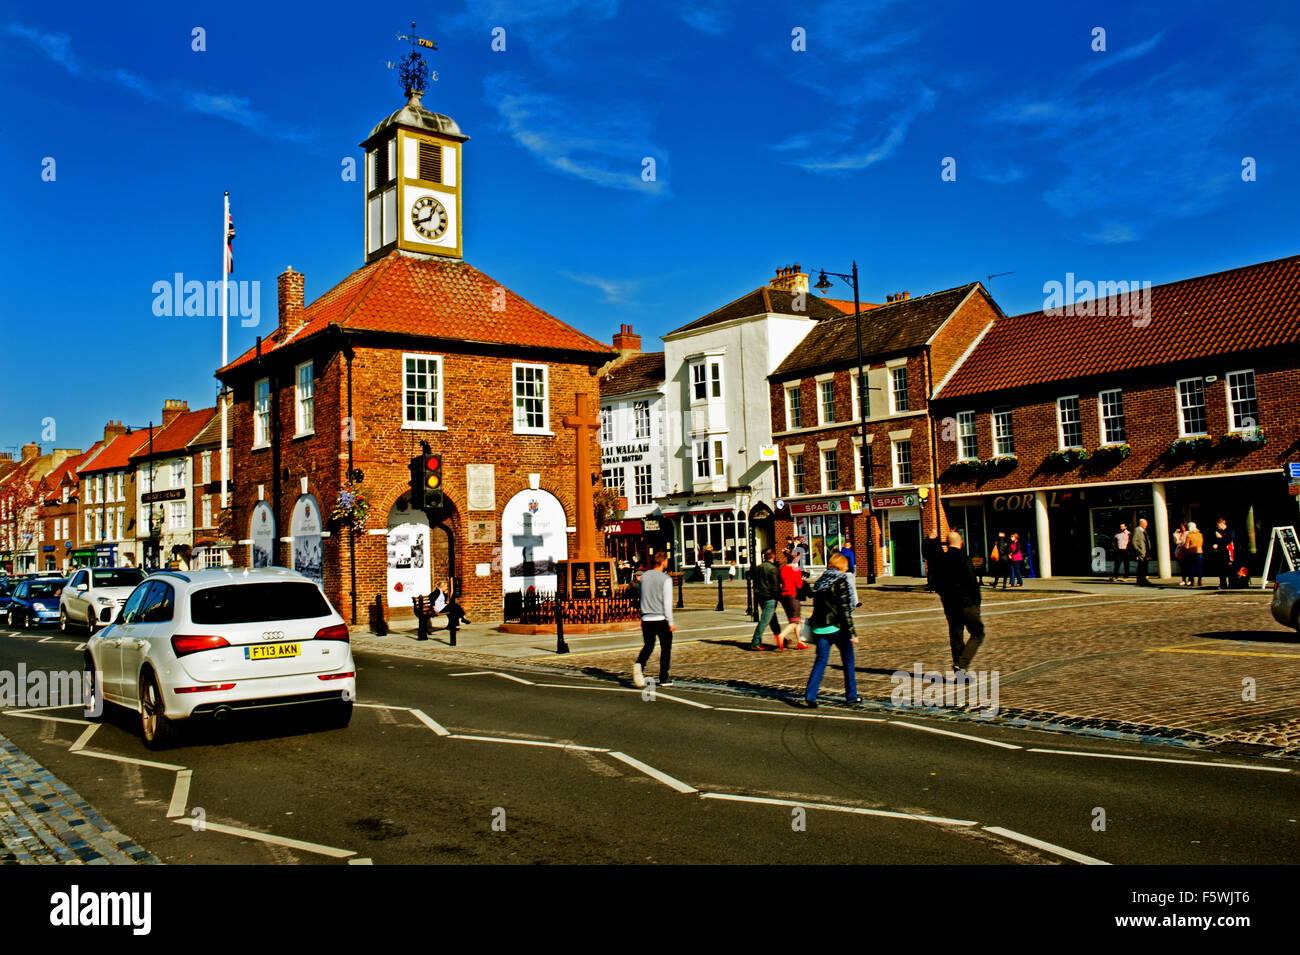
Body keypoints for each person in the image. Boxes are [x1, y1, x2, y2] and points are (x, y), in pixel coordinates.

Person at [802, 552, 859, 708]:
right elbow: (845, 608)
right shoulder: (841, 581)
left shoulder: (820, 582)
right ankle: (852, 696)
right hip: (837, 627)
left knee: (820, 661)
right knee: (848, 661)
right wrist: (852, 632)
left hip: (820, 628)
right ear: (842, 566)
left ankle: (811, 695)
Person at [932, 530, 986, 671]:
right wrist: (976, 601)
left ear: (947, 544)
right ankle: (962, 664)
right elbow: (971, 582)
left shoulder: (940, 560)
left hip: (950, 603)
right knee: (977, 633)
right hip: (967, 603)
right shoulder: (964, 558)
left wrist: (944, 595)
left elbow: (936, 582)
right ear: (961, 543)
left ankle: (960, 671)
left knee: (956, 636)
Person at [633, 552, 675, 688]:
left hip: (646, 617)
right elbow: (667, 603)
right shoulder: (666, 579)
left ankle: (639, 664)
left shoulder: (644, 577)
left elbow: (641, 595)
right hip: (661, 617)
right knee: (665, 648)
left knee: (649, 645)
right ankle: (663, 677)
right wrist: (671, 622)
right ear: (663, 562)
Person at [750, 548, 784, 650]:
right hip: (770, 597)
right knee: (765, 620)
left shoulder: (758, 568)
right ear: (773, 557)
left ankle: (781, 638)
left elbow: (754, 582)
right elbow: (775, 586)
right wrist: (780, 597)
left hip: (760, 596)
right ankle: (755, 642)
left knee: (772, 619)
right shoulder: (773, 569)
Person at [776, 553, 809, 651]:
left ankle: (800, 641)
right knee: (795, 621)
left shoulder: (783, 568)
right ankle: (781, 636)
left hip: (784, 596)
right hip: (793, 596)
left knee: (794, 620)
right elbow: (799, 585)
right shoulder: (796, 570)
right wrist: (802, 579)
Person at [1210, 519, 1234, 590]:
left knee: (1228, 568)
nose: (1217, 527)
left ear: (1221, 524)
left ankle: (1231, 583)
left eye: (1218, 525)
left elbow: (1229, 540)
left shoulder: (1230, 531)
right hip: (1220, 552)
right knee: (1221, 569)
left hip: (1228, 552)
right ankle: (1223, 584)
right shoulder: (1218, 531)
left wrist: (1221, 537)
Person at [1183, 522, 1204, 587]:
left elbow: (1187, 546)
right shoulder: (1200, 534)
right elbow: (1201, 543)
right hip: (1199, 551)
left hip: (1191, 552)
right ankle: (1200, 580)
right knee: (1199, 566)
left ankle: (1192, 581)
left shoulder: (1189, 535)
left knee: (1191, 567)